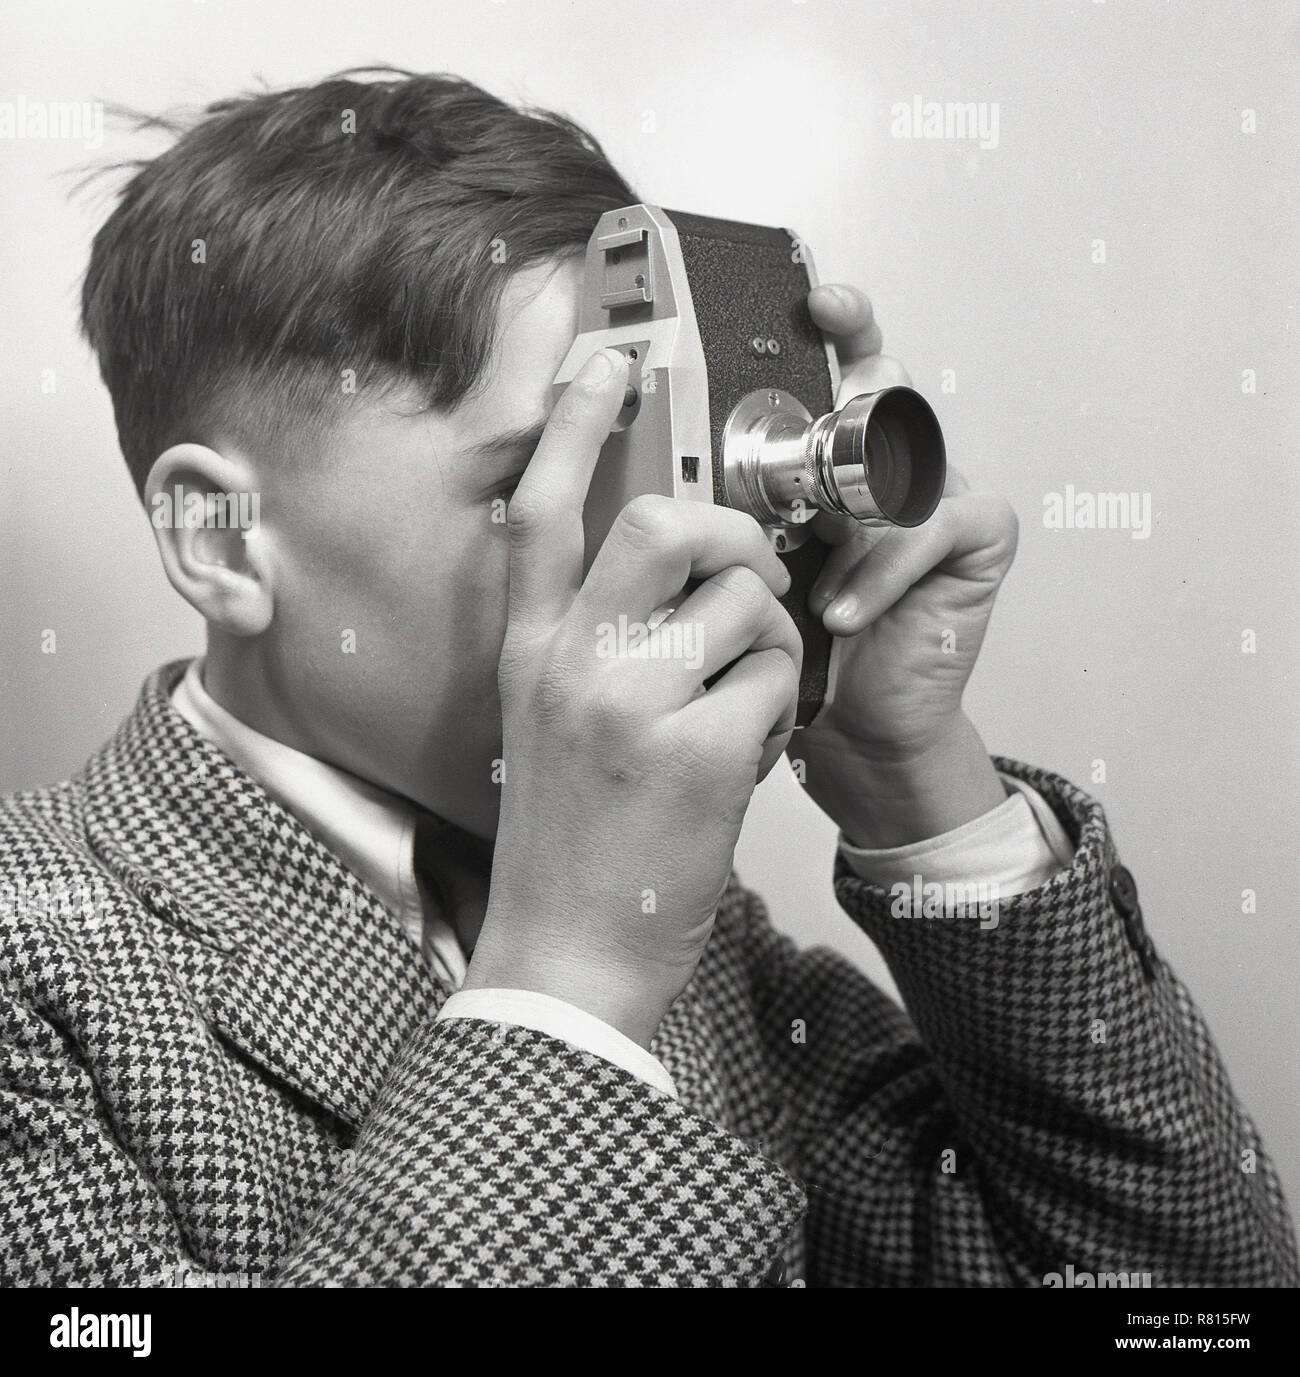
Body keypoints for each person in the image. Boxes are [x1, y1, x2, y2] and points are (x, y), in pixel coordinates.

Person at [0, 68, 1293, 1287]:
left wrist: (909, 773)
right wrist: (568, 977)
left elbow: (1191, 1305)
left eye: (643, 464)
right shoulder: (36, 962)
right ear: (223, 538)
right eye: (535, 482)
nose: (661, 555)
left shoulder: (692, 925)